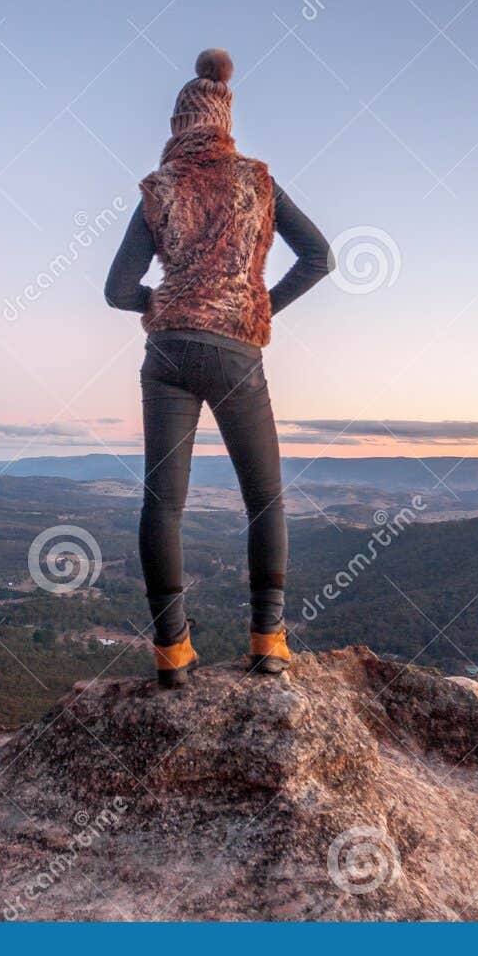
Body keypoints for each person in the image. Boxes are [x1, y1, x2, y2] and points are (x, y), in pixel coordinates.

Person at [105, 48, 335, 689]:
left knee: (163, 503)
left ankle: (172, 654)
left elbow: (117, 289)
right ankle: (268, 642)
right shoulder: (257, 181)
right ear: (225, 117)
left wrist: (160, 301)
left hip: (170, 351)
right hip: (236, 351)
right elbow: (319, 256)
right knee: (264, 500)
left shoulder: (161, 189)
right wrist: (260, 307)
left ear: (179, 124)